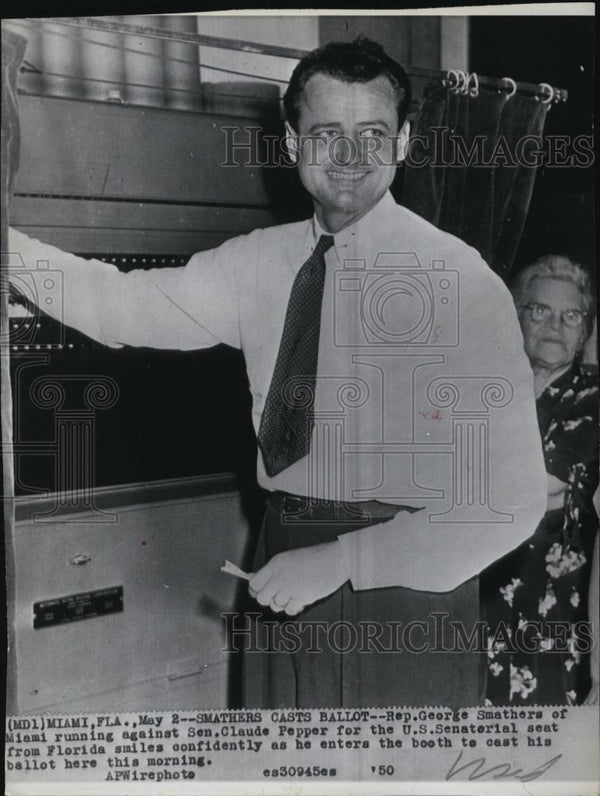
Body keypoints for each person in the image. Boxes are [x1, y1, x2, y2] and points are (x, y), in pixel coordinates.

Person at [7, 37, 547, 707]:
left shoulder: (464, 281)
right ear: (292, 142)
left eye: (372, 135)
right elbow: (122, 306)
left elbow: (512, 500)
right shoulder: (255, 262)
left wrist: (343, 561)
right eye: (326, 134)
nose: (349, 157)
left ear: (405, 141)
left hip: (404, 586)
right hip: (280, 559)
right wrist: (9, 250)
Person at [482, 255, 598, 706]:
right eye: (541, 310)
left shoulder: (591, 397)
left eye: (571, 315)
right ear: (517, 316)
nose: (556, 324)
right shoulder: (489, 387)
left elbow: (543, 482)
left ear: (585, 330)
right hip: (478, 596)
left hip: (554, 607)